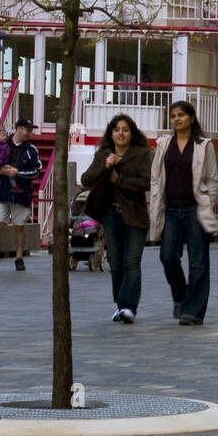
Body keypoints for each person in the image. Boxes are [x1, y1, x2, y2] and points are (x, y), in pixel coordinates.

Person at [148, 100, 218, 326]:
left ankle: (193, 311)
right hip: (170, 209)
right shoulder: (163, 144)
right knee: (168, 256)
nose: (177, 119)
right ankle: (181, 296)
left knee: (198, 262)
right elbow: (155, 177)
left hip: (195, 210)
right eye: (173, 116)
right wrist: (154, 202)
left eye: (181, 115)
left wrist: (208, 205)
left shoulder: (203, 145)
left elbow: (212, 179)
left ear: (191, 117)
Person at [80, 114, 151, 323]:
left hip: (135, 215)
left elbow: (146, 183)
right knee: (116, 262)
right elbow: (86, 179)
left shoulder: (142, 154)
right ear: (111, 133)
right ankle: (120, 305)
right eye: (117, 129)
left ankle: (130, 307)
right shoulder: (103, 154)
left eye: (125, 129)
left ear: (132, 133)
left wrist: (118, 179)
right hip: (111, 215)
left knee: (132, 261)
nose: (121, 133)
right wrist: (105, 167)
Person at [0, 118, 42, 271]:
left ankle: (19, 257)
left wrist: (18, 173)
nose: (30, 132)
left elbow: (36, 170)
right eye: (27, 129)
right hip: (1, 191)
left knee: (19, 226)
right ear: (18, 128)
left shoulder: (31, 150)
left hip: (21, 194)